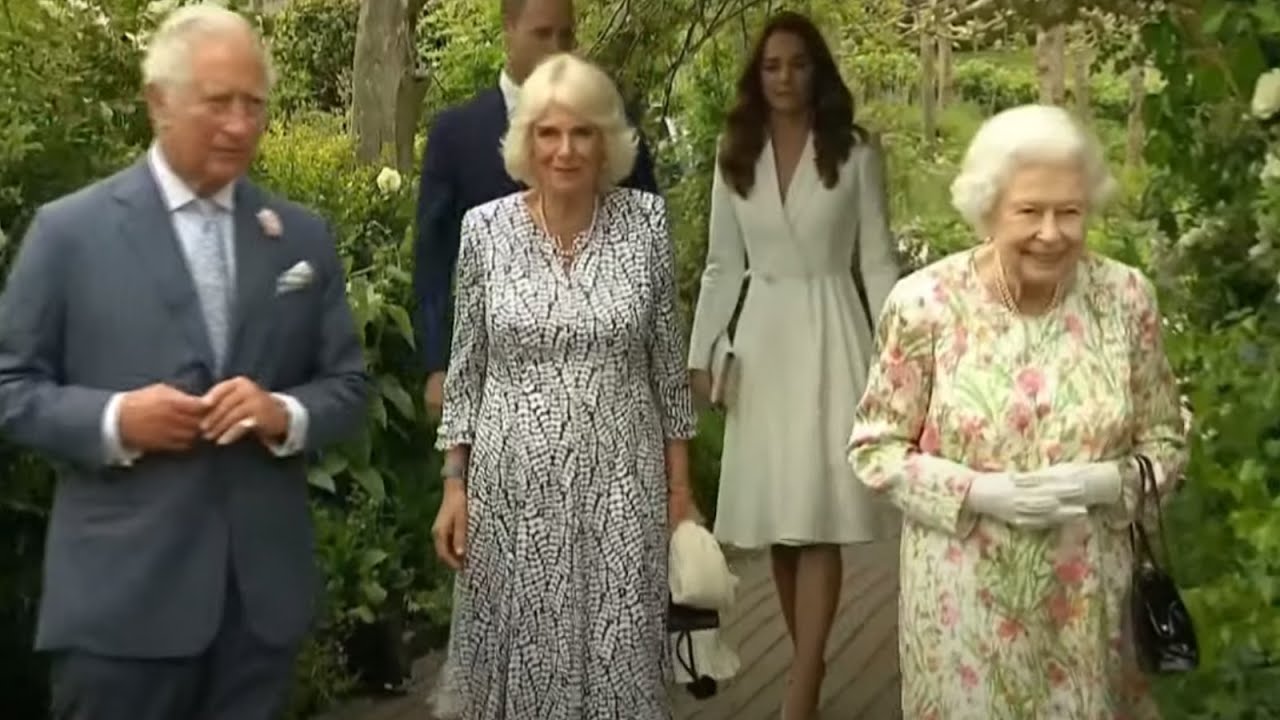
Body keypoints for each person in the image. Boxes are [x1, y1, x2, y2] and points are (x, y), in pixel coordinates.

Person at [0, 6, 369, 719]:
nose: (239, 125)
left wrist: (283, 413)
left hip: (257, 614)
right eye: (218, 103)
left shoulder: (298, 237)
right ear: (158, 102)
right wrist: (116, 420)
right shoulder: (69, 234)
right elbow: (10, 384)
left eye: (253, 105)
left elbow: (348, 386)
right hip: (121, 613)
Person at [848, 104, 1189, 719]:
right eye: (1029, 211)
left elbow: (1165, 440)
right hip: (964, 612)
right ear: (988, 209)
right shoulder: (925, 304)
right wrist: (978, 492)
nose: (1051, 233)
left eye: (1070, 211)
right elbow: (875, 448)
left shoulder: (1126, 297)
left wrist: (1108, 482)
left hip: (1090, 611)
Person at [426, 52, 697, 719]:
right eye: (548, 132)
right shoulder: (484, 231)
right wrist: (454, 485)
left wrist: (681, 495)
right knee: (522, 666)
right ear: (526, 141)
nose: (566, 149)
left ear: (607, 141)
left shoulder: (645, 225)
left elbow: (668, 370)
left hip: (622, 491)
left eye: (582, 132)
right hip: (511, 495)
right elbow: (467, 369)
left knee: (620, 662)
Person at [684, 12, 900, 719]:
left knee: (819, 513)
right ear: (758, 74)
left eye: (798, 64)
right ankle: (810, 655)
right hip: (762, 340)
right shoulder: (733, 151)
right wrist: (700, 353)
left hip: (834, 331)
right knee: (780, 522)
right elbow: (722, 264)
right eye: (772, 65)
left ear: (817, 72)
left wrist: (902, 354)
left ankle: (802, 682)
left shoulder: (855, 151)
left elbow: (877, 259)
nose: (784, 77)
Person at [414, 0, 659, 418]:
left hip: (601, 374)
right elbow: (434, 259)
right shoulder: (456, 135)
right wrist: (437, 364)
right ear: (509, 28)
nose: (556, 48)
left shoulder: (613, 132)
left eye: (566, 35)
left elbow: (649, 256)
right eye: (543, 34)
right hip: (497, 379)